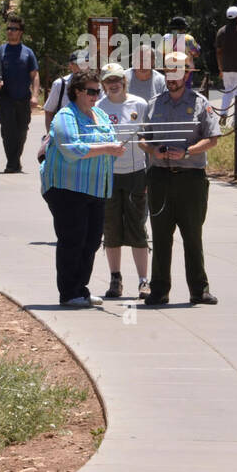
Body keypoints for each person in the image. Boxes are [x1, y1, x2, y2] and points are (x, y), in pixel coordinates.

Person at [139, 51, 222, 305]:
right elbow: (143, 138)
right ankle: (159, 290)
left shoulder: (200, 103)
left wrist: (187, 151)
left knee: (192, 235)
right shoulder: (154, 103)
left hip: (191, 179)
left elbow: (213, 138)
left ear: (187, 75)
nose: (171, 78)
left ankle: (199, 290)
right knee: (161, 236)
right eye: (167, 72)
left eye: (176, 73)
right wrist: (153, 150)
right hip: (160, 177)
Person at [42, 69, 126, 307]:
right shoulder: (65, 116)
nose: (95, 96)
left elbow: (110, 140)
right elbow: (71, 149)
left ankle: (81, 289)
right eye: (91, 91)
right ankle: (68, 293)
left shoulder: (99, 113)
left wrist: (114, 149)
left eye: (97, 91)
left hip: (96, 188)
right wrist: (107, 148)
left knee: (91, 241)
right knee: (72, 239)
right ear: (77, 92)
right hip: (67, 188)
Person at [94, 63, 151, 300]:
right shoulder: (98, 107)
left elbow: (149, 137)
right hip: (109, 175)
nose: (113, 84)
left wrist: (150, 173)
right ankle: (115, 278)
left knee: (137, 227)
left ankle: (143, 281)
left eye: (117, 79)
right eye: (108, 81)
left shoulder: (139, 104)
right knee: (111, 228)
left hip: (136, 172)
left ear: (124, 81)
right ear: (103, 85)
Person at [0, 13, 41, 173]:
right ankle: (12, 163)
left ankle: (15, 161)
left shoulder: (27, 53)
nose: (10, 31)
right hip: (5, 98)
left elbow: (35, 75)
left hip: (23, 98)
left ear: (20, 32)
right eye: (9, 28)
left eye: (14, 29)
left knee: (22, 130)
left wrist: (35, 96)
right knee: (8, 131)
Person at [163, 16, 203, 91]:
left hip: (170, 70)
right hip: (186, 72)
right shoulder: (188, 39)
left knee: (171, 91)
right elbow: (196, 53)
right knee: (185, 92)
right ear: (183, 28)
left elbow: (161, 53)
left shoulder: (165, 38)